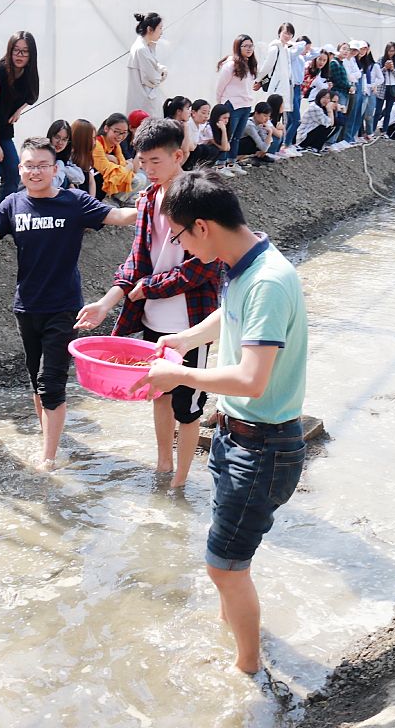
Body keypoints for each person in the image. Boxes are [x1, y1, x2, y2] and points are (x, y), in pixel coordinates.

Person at [131, 170, 308, 678]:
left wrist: (181, 374)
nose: (182, 248)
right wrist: (186, 339)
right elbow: (230, 316)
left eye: (180, 237)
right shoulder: (244, 263)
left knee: (223, 566)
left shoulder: (268, 281)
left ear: (203, 227)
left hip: (263, 447)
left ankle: (247, 671)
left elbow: (252, 379)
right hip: (238, 437)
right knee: (226, 559)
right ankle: (232, 638)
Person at [0, 136, 137, 471]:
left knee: (50, 383)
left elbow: (116, 215)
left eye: (42, 165)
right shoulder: (12, 204)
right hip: (26, 306)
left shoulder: (74, 201)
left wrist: (151, 207)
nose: (36, 171)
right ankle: (50, 438)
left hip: (64, 306)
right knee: (35, 381)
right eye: (29, 165)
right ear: (20, 169)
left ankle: (49, 459)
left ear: (55, 169)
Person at [75, 120, 220, 487]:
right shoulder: (148, 199)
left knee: (189, 408)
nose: (148, 169)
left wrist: (150, 288)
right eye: (143, 162)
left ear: (178, 155)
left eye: (156, 161)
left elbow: (204, 266)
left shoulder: (201, 198)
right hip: (154, 319)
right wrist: (106, 302)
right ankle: (162, 467)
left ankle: (181, 482)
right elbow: (136, 260)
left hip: (191, 325)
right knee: (160, 394)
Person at [0, 31, 40, 217]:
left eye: (25, 51)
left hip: (4, 131)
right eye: (16, 50)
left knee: (13, 173)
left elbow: (33, 96)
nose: (20, 55)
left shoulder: (28, 74)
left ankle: (1, 217)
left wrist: (18, 110)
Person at [215, 35, 260, 176]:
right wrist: (221, 105)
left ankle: (231, 162)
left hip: (246, 105)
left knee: (237, 137)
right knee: (227, 135)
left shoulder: (251, 65)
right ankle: (220, 165)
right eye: (245, 46)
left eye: (251, 45)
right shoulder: (231, 65)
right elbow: (220, 86)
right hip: (232, 105)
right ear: (238, 47)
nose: (249, 48)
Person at [256, 23, 295, 153]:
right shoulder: (275, 48)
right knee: (273, 116)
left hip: (283, 87)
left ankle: (277, 148)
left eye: (290, 33)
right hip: (277, 88)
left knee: (280, 116)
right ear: (279, 33)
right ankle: (270, 148)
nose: (287, 36)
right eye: (285, 32)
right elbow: (267, 66)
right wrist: (258, 80)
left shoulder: (286, 49)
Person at [127, 12, 168, 117]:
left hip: (144, 102)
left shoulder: (145, 47)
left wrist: (159, 70)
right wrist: (162, 72)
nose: (161, 32)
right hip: (144, 103)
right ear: (150, 29)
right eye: (160, 28)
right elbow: (153, 78)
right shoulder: (141, 49)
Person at [93, 113, 139, 201]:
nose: (120, 136)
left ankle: (115, 201)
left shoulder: (116, 145)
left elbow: (125, 169)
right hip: (95, 187)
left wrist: (115, 161)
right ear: (106, 128)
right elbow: (110, 173)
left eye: (124, 133)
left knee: (138, 179)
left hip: (106, 187)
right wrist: (127, 167)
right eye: (116, 131)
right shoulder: (97, 144)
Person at [48, 119, 91, 195]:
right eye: (57, 137)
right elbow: (53, 185)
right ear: (50, 136)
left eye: (64, 139)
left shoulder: (65, 157)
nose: (60, 142)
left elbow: (80, 178)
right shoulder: (42, 155)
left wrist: (62, 168)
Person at [284, 36, 309, 147]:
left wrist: (308, 48)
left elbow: (315, 53)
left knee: (291, 120)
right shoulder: (292, 54)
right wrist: (296, 44)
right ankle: (285, 143)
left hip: (298, 88)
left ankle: (287, 143)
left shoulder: (301, 57)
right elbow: (299, 47)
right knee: (296, 119)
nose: (307, 50)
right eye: (306, 47)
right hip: (291, 88)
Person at [375, 41, 395, 134]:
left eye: (393, 51)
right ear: (386, 51)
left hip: (392, 87)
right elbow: (377, 73)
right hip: (382, 87)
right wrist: (385, 68)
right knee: (378, 111)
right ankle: (372, 130)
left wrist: (393, 69)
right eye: (389, 51)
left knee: (388, 111)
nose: (391, 53)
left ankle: (384, 131)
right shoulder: (381, 59)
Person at [207, 103, 235, 175]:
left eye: (228, 118)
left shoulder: (224, 128)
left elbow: (227, 147)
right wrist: (224, 130)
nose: (227, 121)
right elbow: (224, 148)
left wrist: (224, 130)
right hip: (202, 151)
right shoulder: (208, 128)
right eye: (224, 118)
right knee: (214, 149)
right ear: (217, 117)